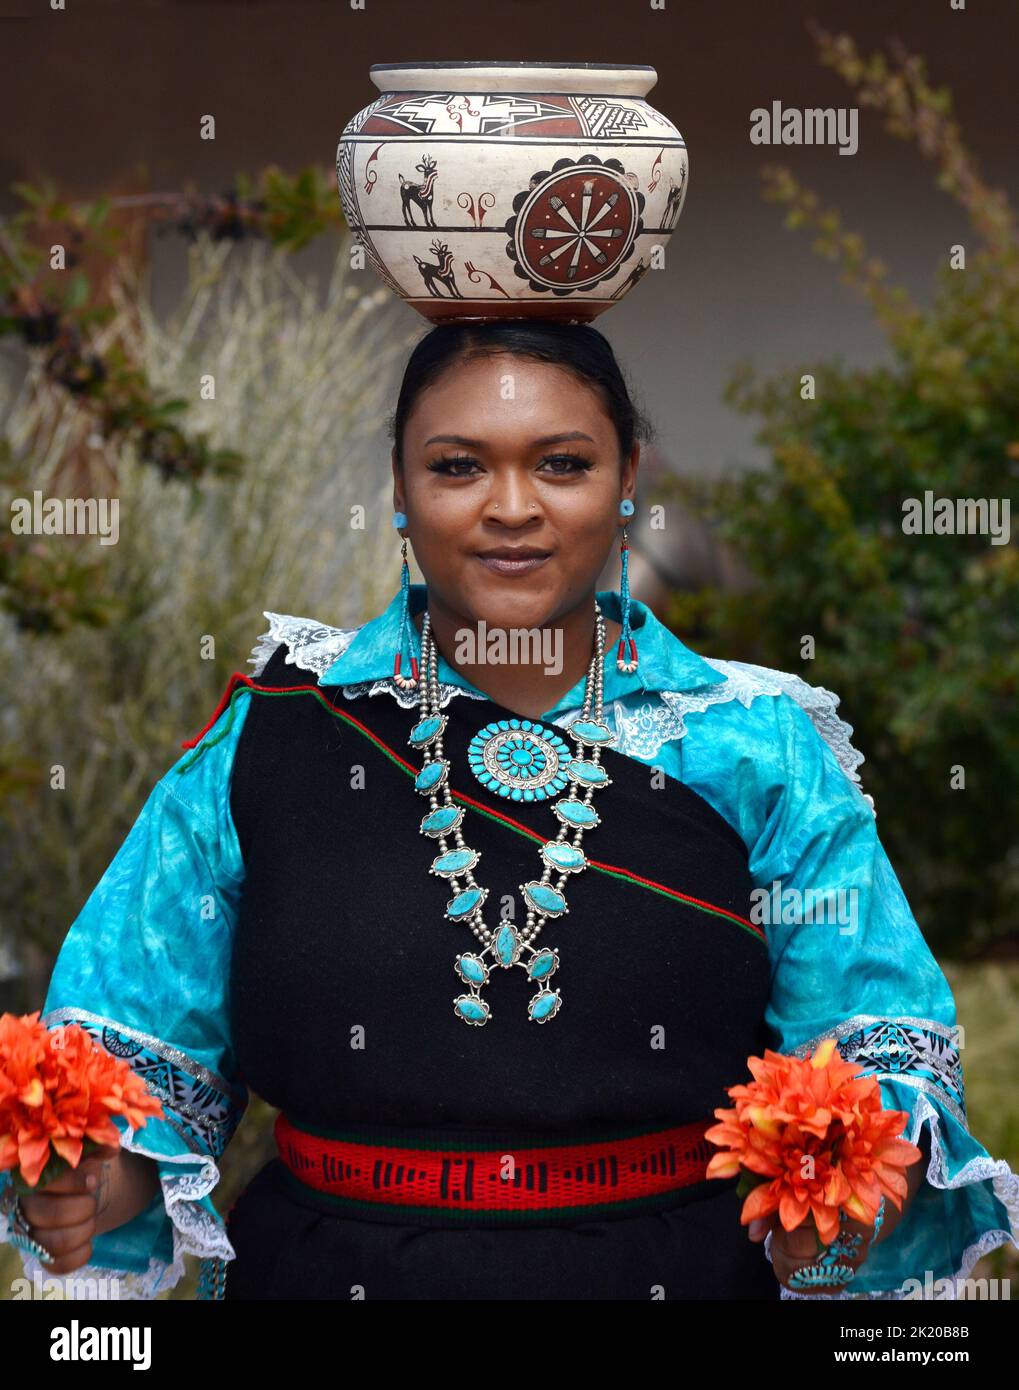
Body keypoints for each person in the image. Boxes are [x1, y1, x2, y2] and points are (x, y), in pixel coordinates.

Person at [2, 323, 1016, 1301]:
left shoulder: (754, 748)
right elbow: (138, 1065)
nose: (511, 506)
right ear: (397, 490)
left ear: (629, 481)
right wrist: (89, 1179)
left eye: (562, 464)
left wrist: (835, 1203)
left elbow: (869, 1046)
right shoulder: (274, 731)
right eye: (456, 467)